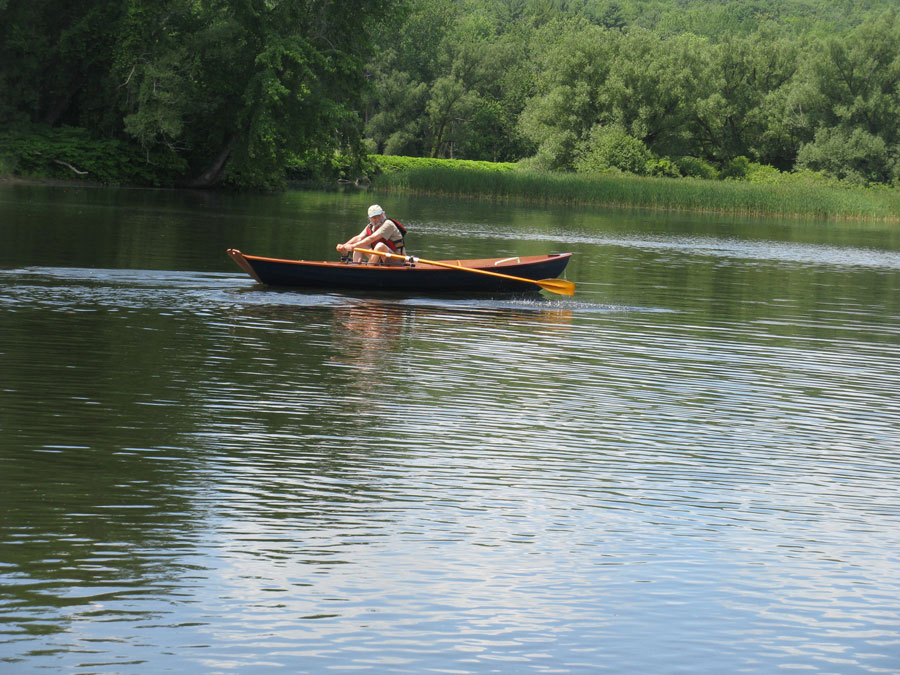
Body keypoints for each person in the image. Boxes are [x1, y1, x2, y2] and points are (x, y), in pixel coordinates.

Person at [336, 205, 408, 265]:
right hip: (380, 258)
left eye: (379, 216)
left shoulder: (388, 224)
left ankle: (369, 269)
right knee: (359, 243)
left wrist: (352, 246)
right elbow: (359, 237)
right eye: (373, 217)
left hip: (397, 260)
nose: (377, 219)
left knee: (380, 245)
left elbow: (372, 238)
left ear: (383, 214)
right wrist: (344, 245)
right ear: (369, 218)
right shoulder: (370, 226)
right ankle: (355, 266)